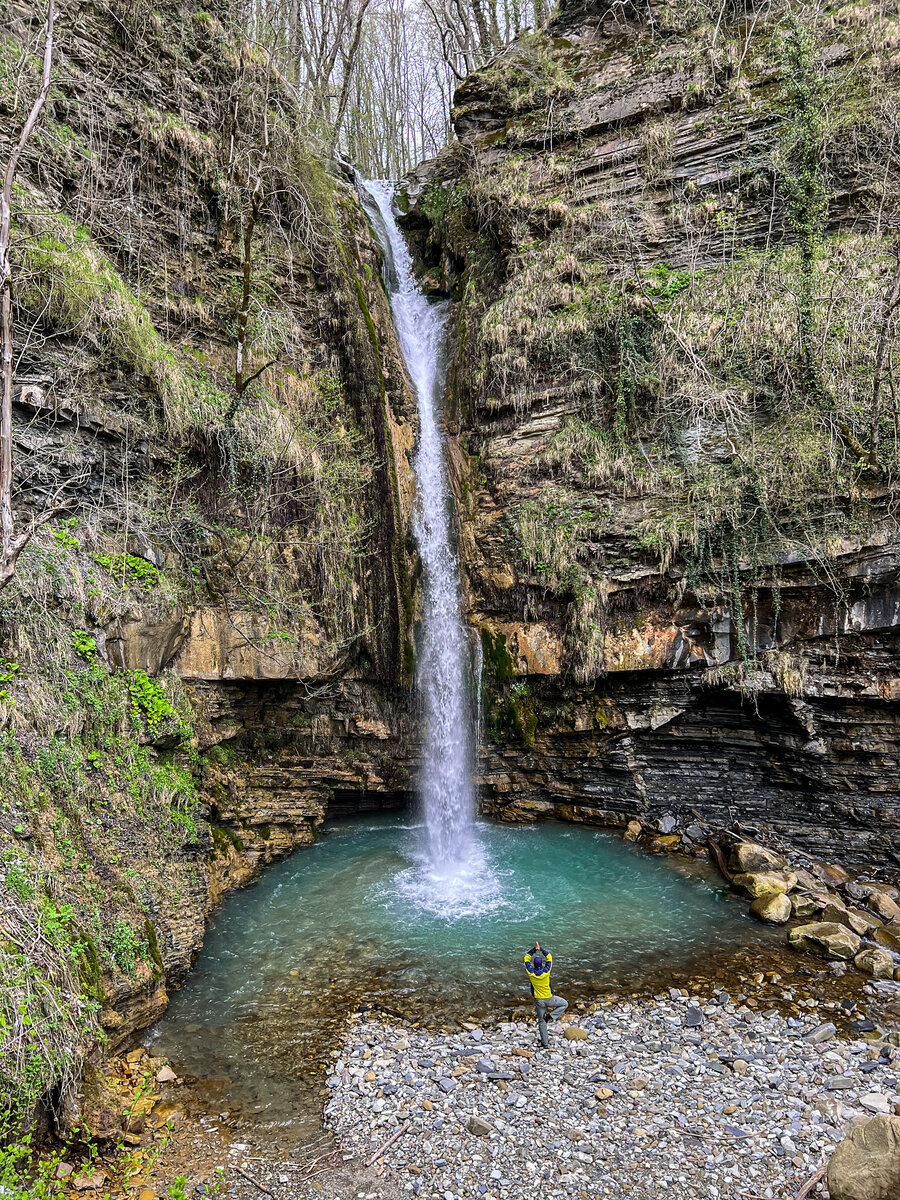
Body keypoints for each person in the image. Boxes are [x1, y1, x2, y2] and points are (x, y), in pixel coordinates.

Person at [523, 941, 568, 1048]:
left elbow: (526, 959)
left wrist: (534, 950)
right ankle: (551, 1016)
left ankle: (545, 1043)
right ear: (541, 964)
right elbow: (549, 958)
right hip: (550, 998)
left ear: (534, 965)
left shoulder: (531, 973)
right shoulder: (546, 971)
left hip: (539, 1001)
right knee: (564, 1004)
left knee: (541, 1022)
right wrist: (541, 949)